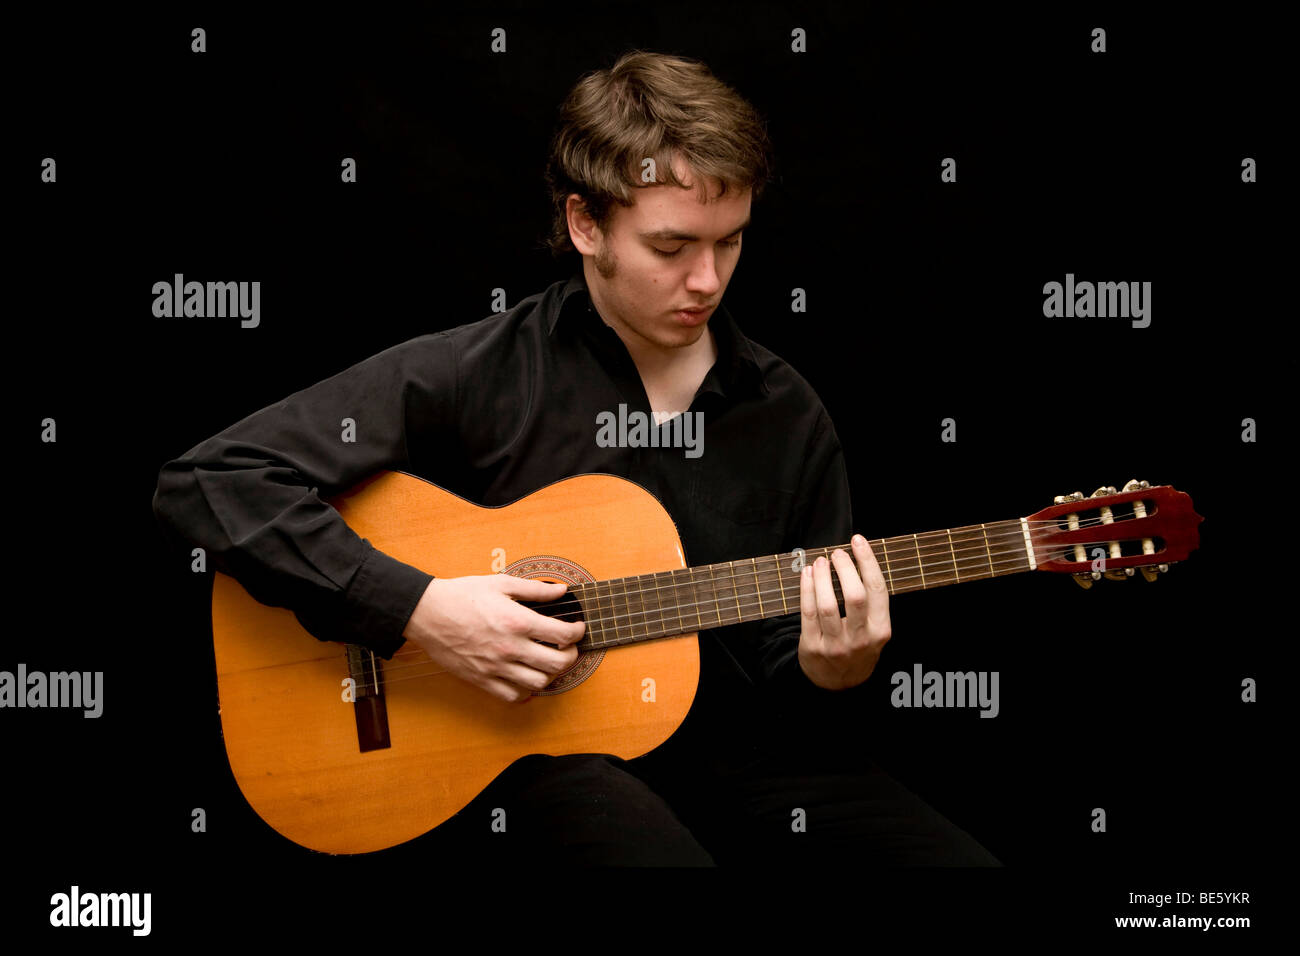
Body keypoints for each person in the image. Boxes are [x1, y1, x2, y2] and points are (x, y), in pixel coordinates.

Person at [152, 50, 999, 866]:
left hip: (741, 756)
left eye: (731, 242)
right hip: (534, 755)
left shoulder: (787, 411)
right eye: (671, 248)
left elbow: (792, 664)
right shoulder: (480, 371)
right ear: (585, 223)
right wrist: (417, 611)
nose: (707, 279)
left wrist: (832, 667)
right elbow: (209, 481)